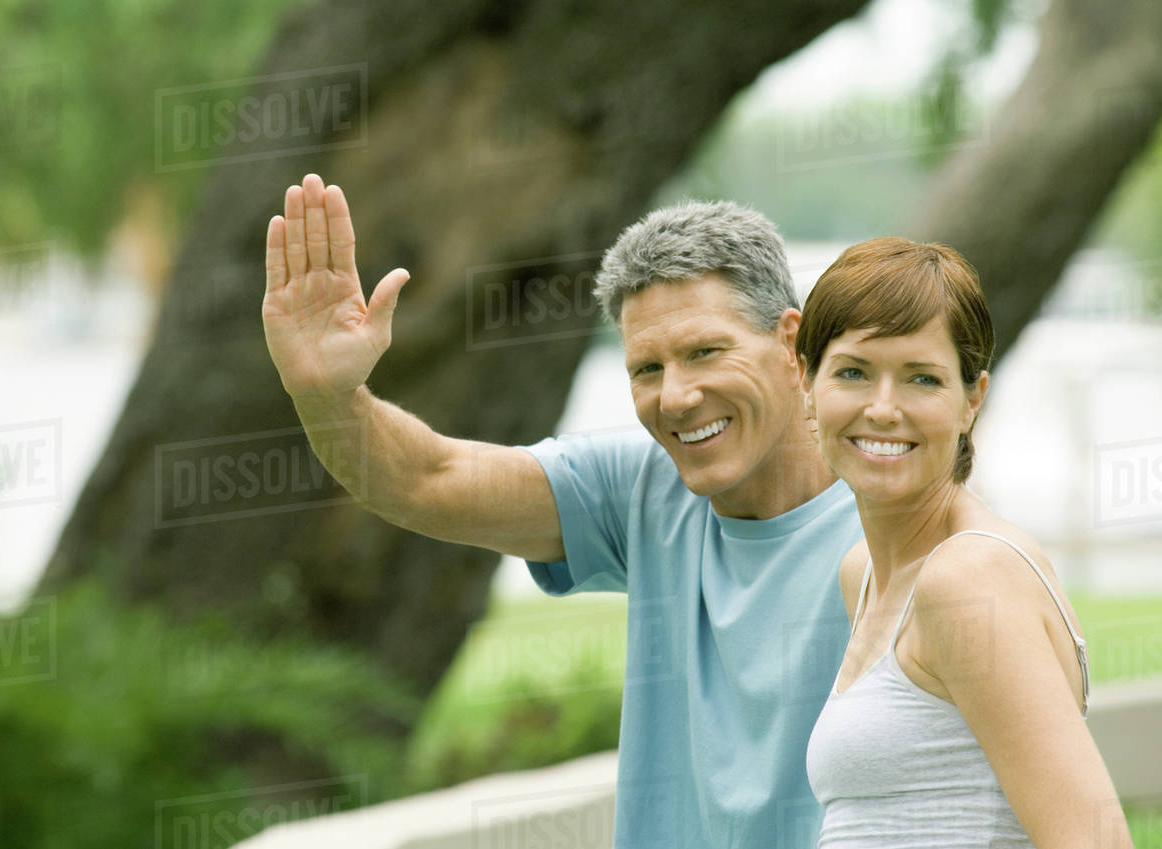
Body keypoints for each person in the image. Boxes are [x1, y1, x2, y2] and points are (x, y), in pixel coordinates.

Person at [262, 173, 863, 847]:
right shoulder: (640, 486)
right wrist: (328, 395)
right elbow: (427, 478)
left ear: (790, 341)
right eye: (647, 369)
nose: (675, 397)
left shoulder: (901, 517)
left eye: (704, 352)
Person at [796, 238, 1132, 848]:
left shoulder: (969, 577)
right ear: (807, 382)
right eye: (853, 372)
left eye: (922, 378)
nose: (883, 408)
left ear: (971, 400)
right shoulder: (863, 573)